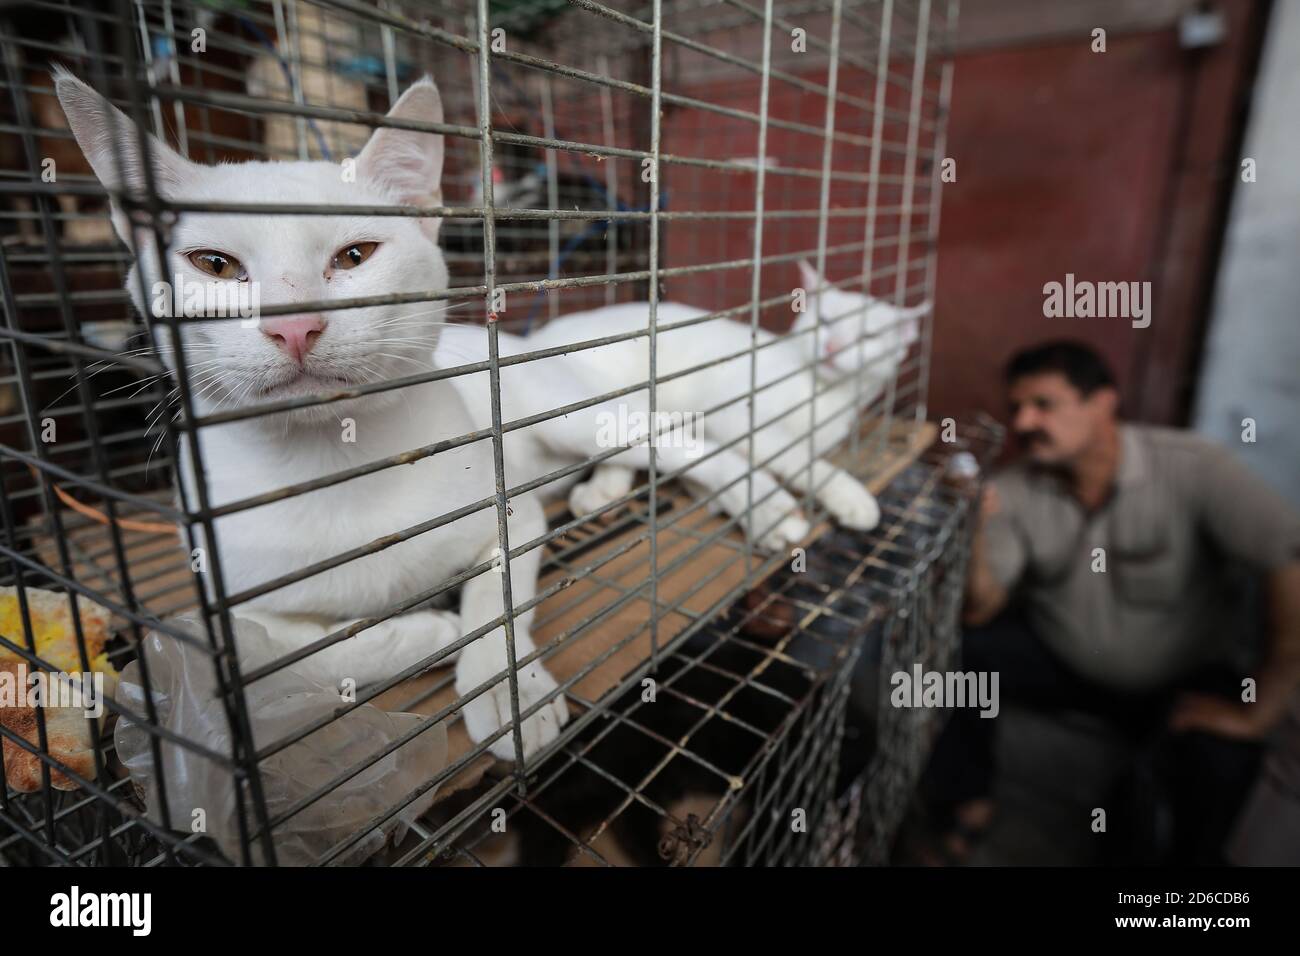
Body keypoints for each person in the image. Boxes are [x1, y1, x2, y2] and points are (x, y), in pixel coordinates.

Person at [921, 340, 1300, 864]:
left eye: (1044, 404)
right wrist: (975, 531)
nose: (1025, 421)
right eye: (1017, 409)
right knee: (961, 651)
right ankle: (966, 804)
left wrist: (1264, 708)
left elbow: (1287, 559)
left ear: (1103, 402)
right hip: (1072, 666)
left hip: (1182, 677)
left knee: (1220, 761)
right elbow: (980, 609)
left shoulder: (1193, 468)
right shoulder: (1014, 489)